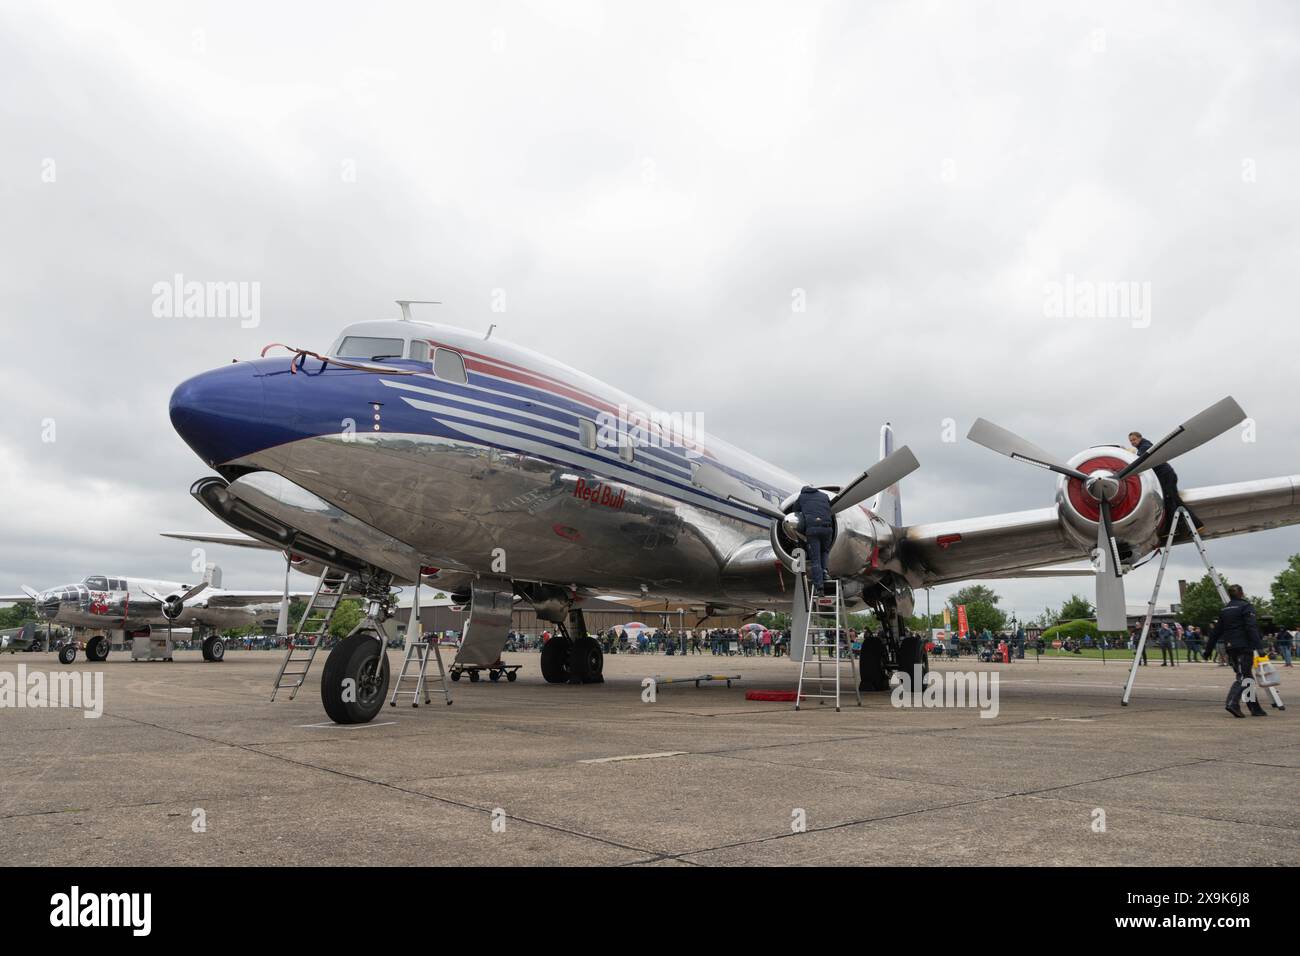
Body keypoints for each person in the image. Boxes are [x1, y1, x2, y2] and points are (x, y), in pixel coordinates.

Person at [1203, 584, 1267, 717]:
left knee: (1247, 676)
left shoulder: (1225, 610)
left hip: (1230, 647)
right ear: (1241, 593)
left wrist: (1208, 650)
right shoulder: (1245, 607)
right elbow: (1251, 627)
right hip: (1244, 646)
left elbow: (1216, 632)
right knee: (1243, 676)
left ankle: (1254, 708)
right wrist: (1259, 646)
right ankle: (1232, 702)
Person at [1128, 430, 1203, 540]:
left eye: (1134, 440)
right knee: (1174, 500)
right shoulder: (1143, 446)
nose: (1132, 442)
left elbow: (1138, 460)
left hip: (1166, 477)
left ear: (1140, 438)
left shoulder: (1145, 447)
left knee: (1171, 500)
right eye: (1131, 441)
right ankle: (1192, 526)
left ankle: (1183, 526)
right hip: (1166, 476)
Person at [793, 485, 835, 595]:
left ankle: (819, 588)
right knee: (824, 551)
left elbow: (795, 510)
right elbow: (828, 508)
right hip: (827, 529)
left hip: (813, 530)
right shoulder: (824, 496)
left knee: (815, 559)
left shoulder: (802, 497)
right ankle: (825, 572)